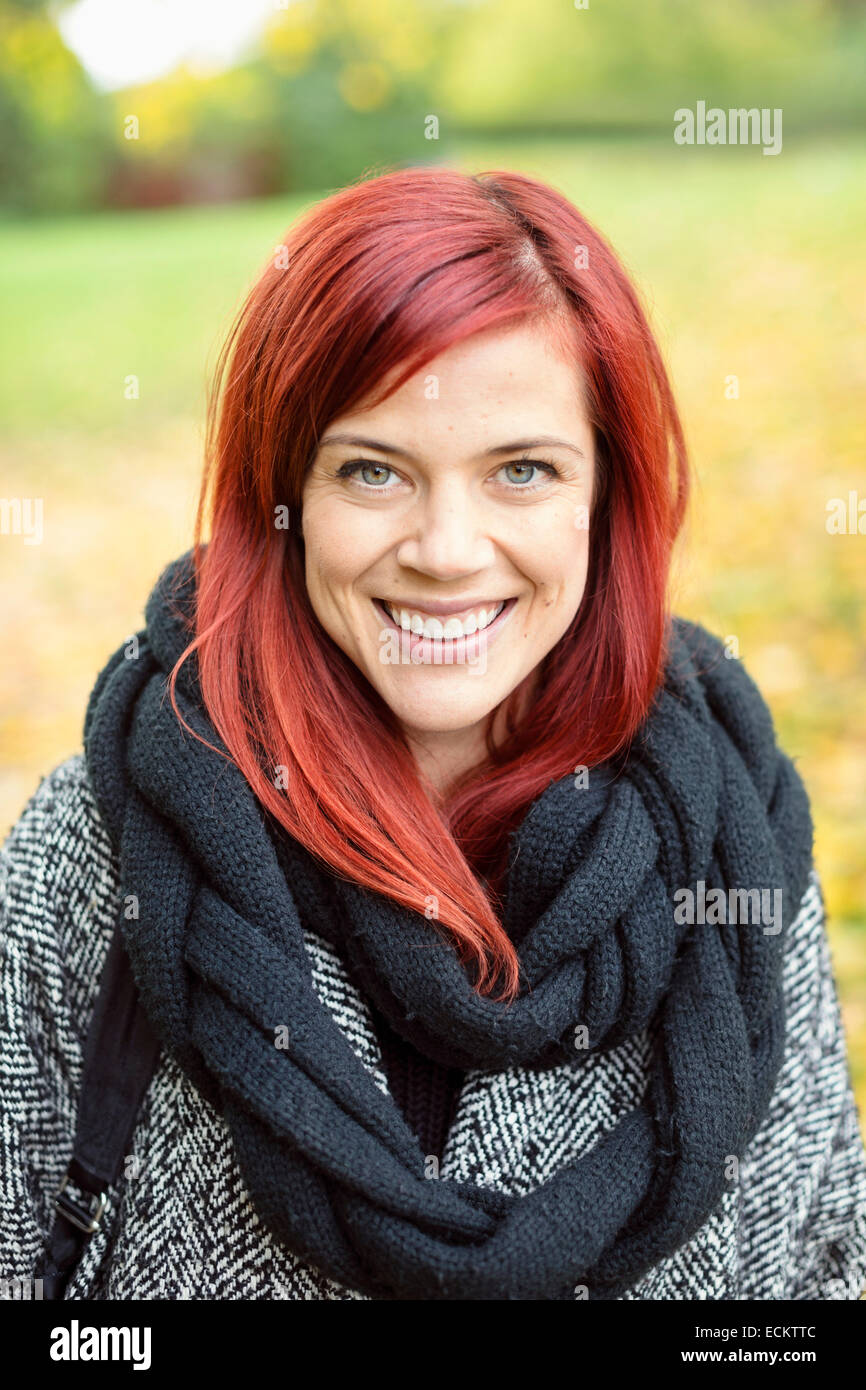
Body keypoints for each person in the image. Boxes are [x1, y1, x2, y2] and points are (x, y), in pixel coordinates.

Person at [2, 166, 865, 1301]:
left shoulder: (727, 845)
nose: (447, 549)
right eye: (372, 471)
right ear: (285, 496)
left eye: (520, 470)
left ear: (603, 497)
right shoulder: (104, 842)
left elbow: (815, 1277)